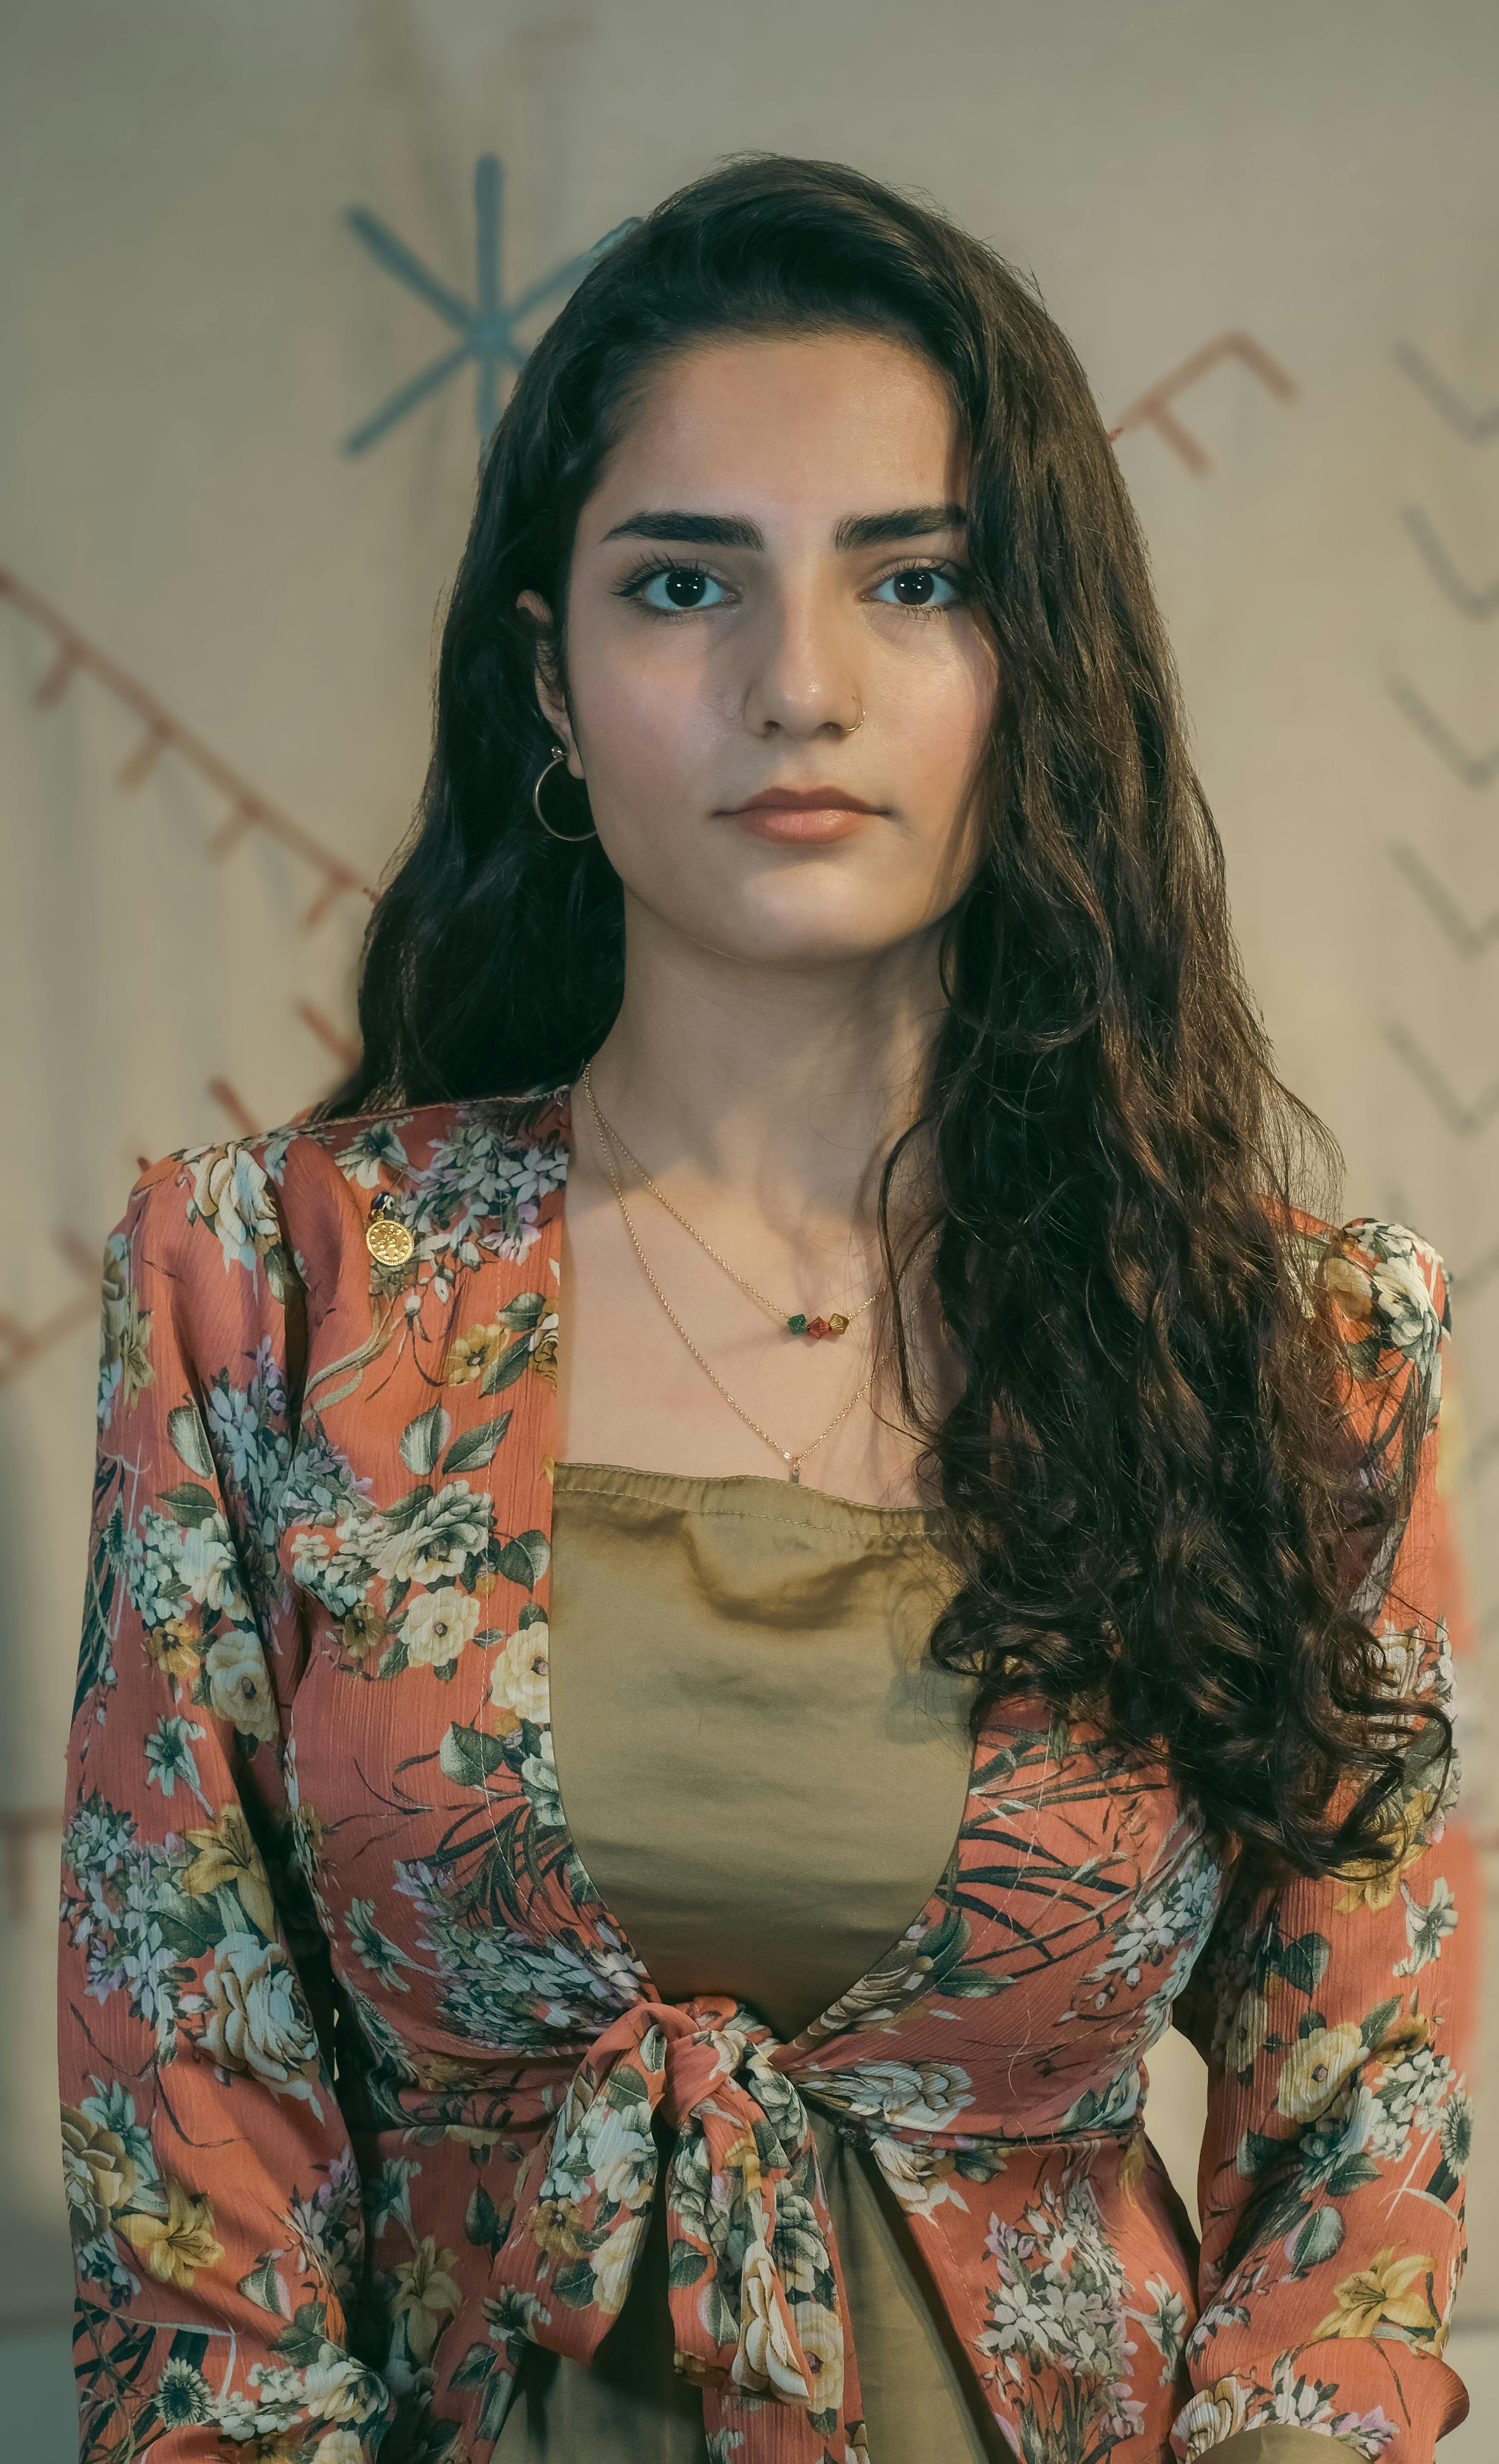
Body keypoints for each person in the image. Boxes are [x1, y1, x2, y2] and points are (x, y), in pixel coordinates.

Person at [58, 154, 1476, 2464]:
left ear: (1036, 665)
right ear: (551, 673)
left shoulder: (1292, 1357)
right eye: (682, 582)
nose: (796, 686)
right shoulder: (270, 1292)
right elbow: (184, 2161)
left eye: (913, 581)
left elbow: (1360, 2172)